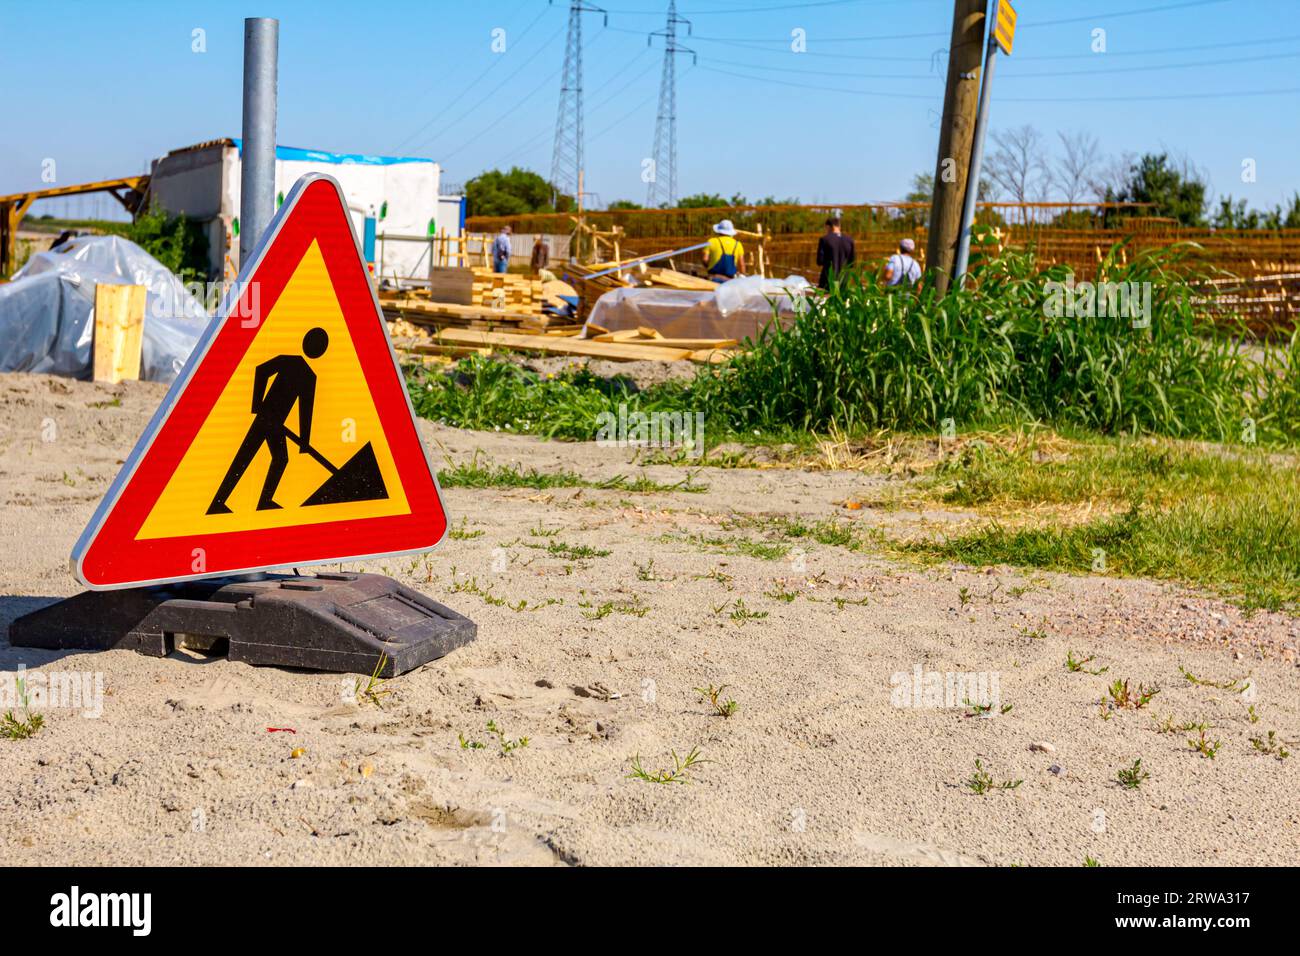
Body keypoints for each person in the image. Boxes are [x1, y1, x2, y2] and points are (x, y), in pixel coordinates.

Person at [206, 327, 328, 514]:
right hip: (268, 420)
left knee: (265, 458)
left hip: (272, 421)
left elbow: (305, 410)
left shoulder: (293, 364)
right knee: (252, 458)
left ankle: (254, 501)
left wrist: (304, 440)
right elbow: (304, 410)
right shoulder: (306, 374)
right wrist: (257, 406)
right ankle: (226, 502)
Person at [816, 215, 855, 289]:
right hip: (844, 280)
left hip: (828, 280)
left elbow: (820, 261)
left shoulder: (824, 239)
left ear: (828, 226)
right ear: (839, 226)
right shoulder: (850, 240)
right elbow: (852, 263)